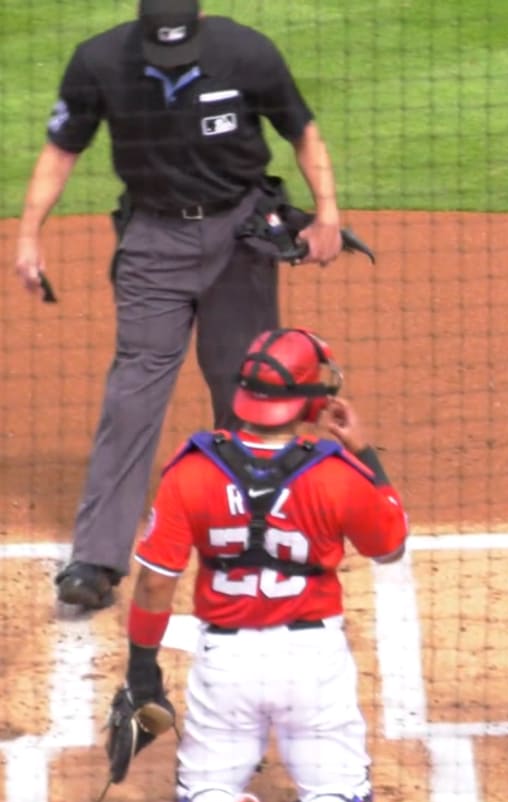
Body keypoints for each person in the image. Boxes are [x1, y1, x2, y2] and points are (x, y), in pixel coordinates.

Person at [14, 0, 348, 611]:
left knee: (249, 386)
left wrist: (327, 213)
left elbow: (302, 132)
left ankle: (261, 534)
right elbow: (62, 149)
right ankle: (96, 557)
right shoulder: (100, 62)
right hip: (152, 241)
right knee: (133, 391)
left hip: (239, 236)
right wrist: (29, 235)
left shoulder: (245, 52)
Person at [120, 328, 407, 802]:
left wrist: (141, 670)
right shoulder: (336, 473)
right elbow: (390, 545)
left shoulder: (191, 470)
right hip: (312, 665)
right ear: (310, 399)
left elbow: (156, 582)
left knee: (196, 795)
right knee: (346, 795)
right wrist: (365, 454)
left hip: (225, 664)